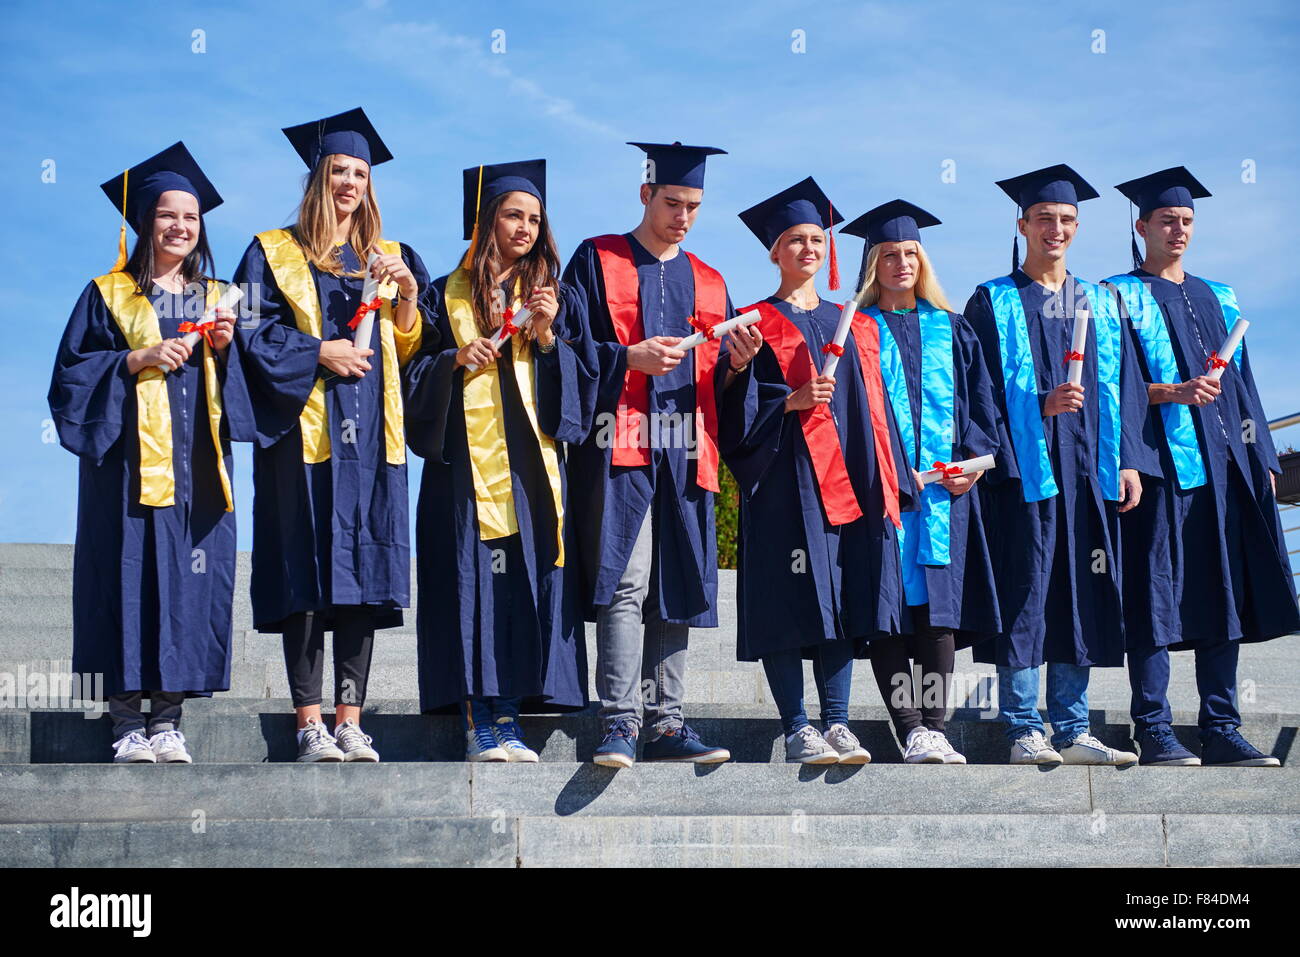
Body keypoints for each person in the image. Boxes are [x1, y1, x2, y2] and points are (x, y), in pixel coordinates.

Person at [232, 108, 430, 762]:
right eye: (339, 171)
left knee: (364, 578)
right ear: (318, 177)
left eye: (360, 173)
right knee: (309, 575)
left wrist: (404, 296)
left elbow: (411, 343)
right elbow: (251, 331)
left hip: (374, 440)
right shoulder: (271, 252)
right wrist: (321, 351)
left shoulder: (392, 257)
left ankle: (351, 719)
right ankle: (308, 720)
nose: (350, 182)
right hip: (305, 439)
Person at [48, 142, 249, 763]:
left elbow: (256, 379)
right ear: (145, 222)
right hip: (127, 472)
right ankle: (124, 721)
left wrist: (225, 347)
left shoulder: (221, 298)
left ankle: (168, 719)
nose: (180, 227)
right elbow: (70, 377)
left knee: (187, 587)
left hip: (197, 473)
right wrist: (135, 358)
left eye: (190, 218)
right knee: (126, 578)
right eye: (168, 215)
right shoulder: (108, 294)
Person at [964, 164, 1159, 766]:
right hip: (1022, 475)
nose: (1056, 228)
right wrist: (1037, 405)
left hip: (1089, 475)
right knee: (1027, 591)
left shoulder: (1100, 300)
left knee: (1082, 590)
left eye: (1067, 219)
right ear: (1022, 224)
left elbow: (1127, 389)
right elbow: (973, 393)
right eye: (1044, 218)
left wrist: (1129, 459)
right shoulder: (992, 300)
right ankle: (1023, 724)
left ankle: (1073, 727)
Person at [403, 159, 596, 761]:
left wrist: (545, 338)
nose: (526, 227)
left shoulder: (557, 298)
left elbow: (584, 385)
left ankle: (509, 716)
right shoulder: (442, 293)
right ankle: (476, 719)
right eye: (513, 215)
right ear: (487, 220)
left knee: (521, 588)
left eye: (535, 218)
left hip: (531, 472)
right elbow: (407, 377)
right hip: (462, 472)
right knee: (470, 587)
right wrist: (454, 362)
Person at [1106, 167, 1297, 767]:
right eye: (1167, 220)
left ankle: (1220, 726)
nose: (1179, 229)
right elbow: (1115, 385)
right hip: (1160, 468)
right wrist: (1171, 393)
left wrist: (1262, 456)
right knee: (1155, 594)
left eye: (1187, 221)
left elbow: (1244, 383)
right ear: (1141, 227)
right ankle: (1154, 727)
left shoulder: (1221, 295)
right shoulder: (1116, 294)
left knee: (1225, 593)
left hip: (1226, 468)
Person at [720, 177, 913, 763]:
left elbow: (876, 410)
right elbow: (731, 408)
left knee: (841, 595)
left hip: (849, 479)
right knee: (788, 595)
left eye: (817, 240)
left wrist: (892, 480)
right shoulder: (749, 321)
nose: (809, 249)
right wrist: (788, 402)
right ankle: (796, 725)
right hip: (784, 479)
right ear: (773, 251)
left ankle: (836, 722)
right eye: (796, 240)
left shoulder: (855, 323)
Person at [562, 142, 734, 767]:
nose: (683, 216)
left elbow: (726, 383)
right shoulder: (596, 258)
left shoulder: (711, 281)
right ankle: (619, 721)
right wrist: (624, 358)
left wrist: (740, 363)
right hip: (621, 443)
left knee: (677, 579)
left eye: (693, 206)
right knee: (627, 580)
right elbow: (567, 346)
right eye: (671, 202)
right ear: (644, 194)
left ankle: (668, 723)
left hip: (686, 450)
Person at [840, 200, 1003, 764]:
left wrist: (972, 467)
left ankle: (934, 727)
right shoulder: (856, 331)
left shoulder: (953, 330)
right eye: (889, 255)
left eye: (910, 253)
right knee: (888, 611)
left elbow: (983, 411)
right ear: (872, 265)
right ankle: (909, 728)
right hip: (880, 496)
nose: (901, 263)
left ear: (922, 261)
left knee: (937, 612)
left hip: (942, 496)